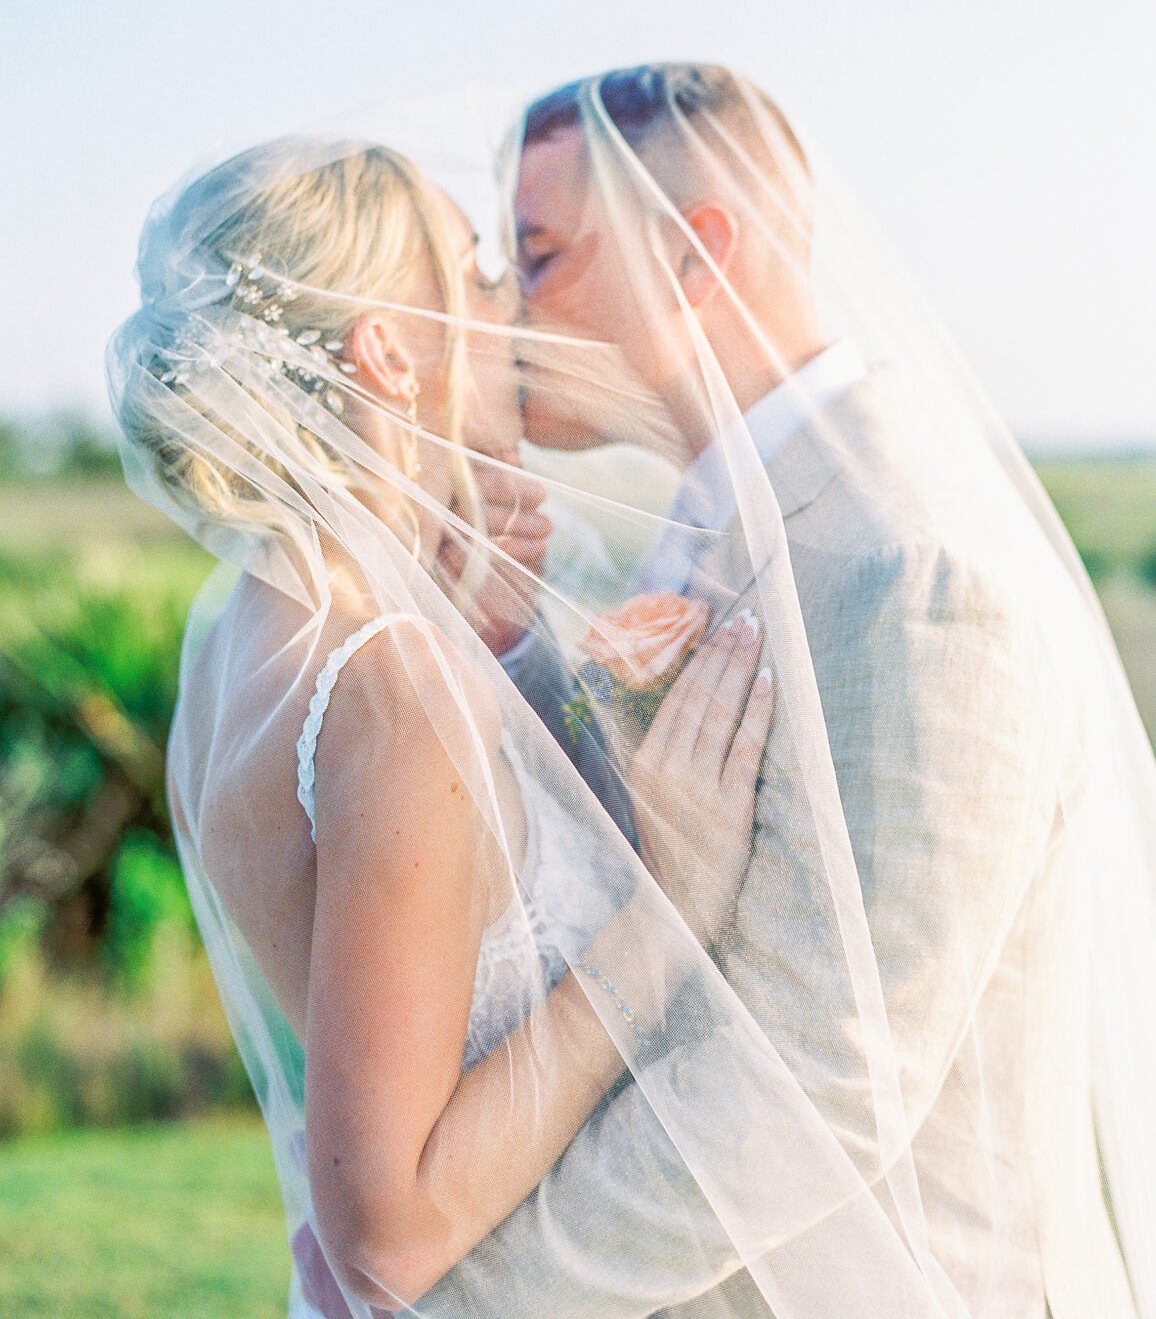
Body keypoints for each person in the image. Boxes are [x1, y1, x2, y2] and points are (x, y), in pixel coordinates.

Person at [417, 65, 1153, 1317]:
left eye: (537, 255)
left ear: (696, 254)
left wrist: (463, 1297)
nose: (503, 315)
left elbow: (826, 1076)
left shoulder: (910, 569)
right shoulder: (722, 512)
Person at [107, 138, 775, 1316]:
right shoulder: (391, 679)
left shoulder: (240, 623)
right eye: (471, 278)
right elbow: (388, 1234)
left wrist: (486, 628)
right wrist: (670, 915)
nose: (504, 310)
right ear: (384, 353)